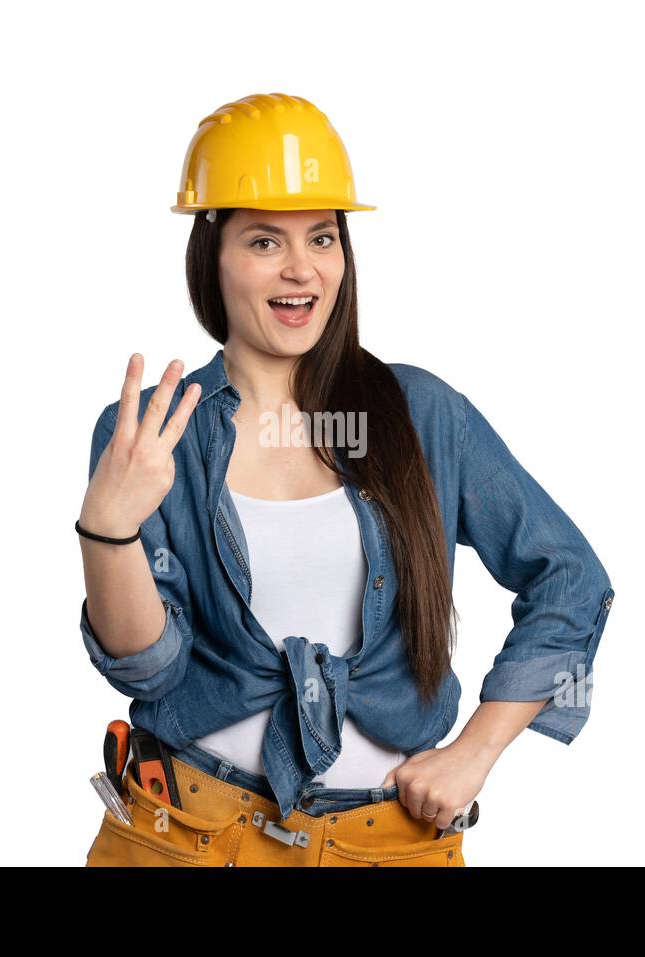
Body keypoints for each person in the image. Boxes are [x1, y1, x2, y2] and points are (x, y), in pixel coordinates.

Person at [77, 93, 615, 866]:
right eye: (265, 240)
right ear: (212, 254)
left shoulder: (422, 415)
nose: (302, 269)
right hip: (183, 836)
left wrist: (478, 751)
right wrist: (109, 530)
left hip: (391, 845)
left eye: (322, 237)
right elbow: (147, 664)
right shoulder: (154, 431)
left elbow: (574, 580)